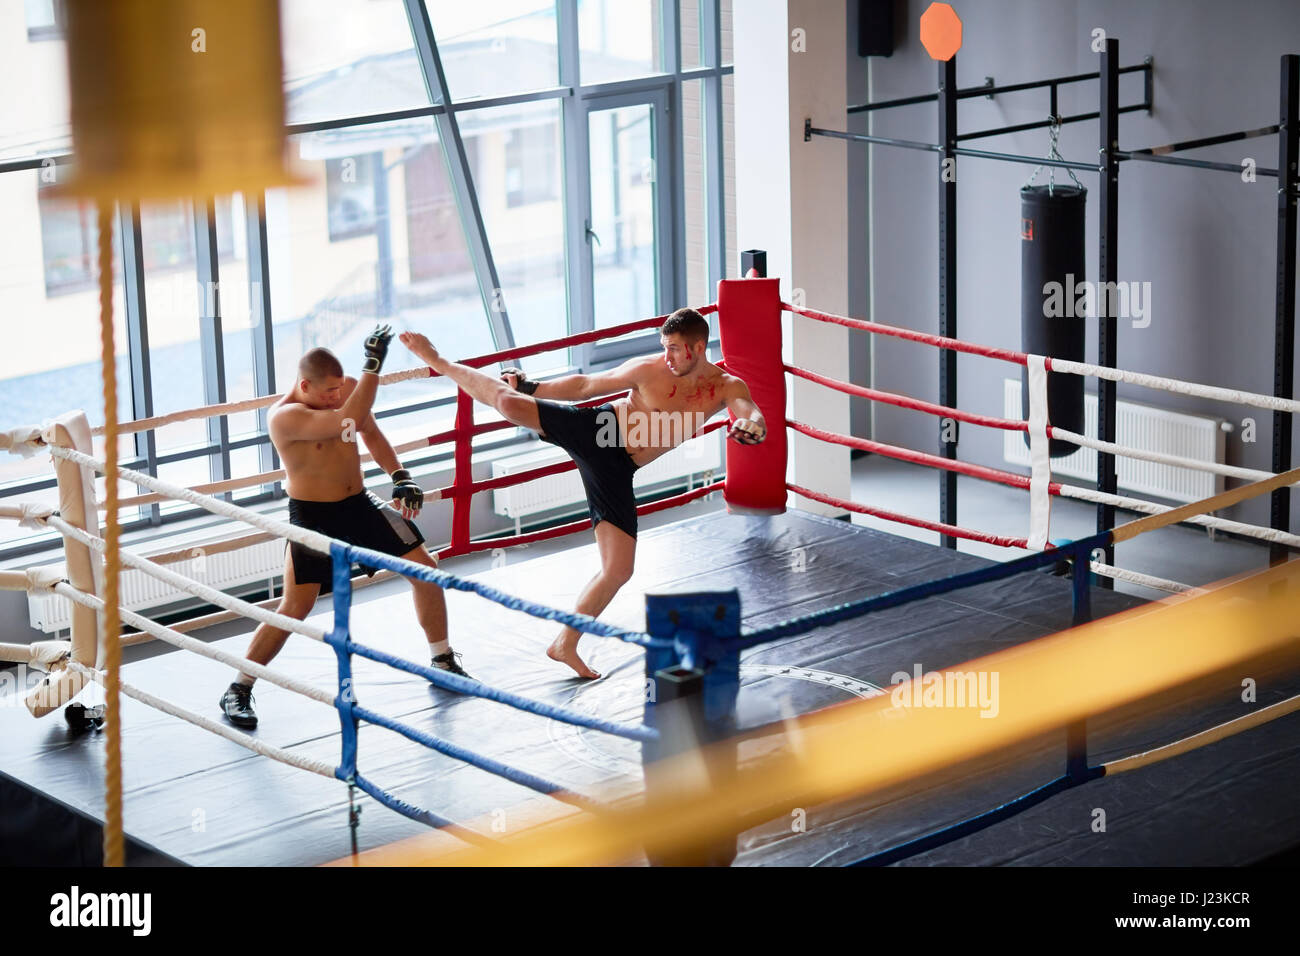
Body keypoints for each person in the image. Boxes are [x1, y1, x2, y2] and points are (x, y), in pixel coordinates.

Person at [399, 307, 766, 680]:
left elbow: (750, 412)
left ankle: (565, 643)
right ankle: (439, 360)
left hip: (619, 469)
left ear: (698, 347)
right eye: (664, 347)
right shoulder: (648, 368)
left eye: (674, 348)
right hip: (598, 430)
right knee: (509, 404)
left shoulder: (726, 386)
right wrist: (531, 388)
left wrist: (752, 427)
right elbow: (587, 385)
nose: (667, 356)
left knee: (618, 569)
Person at [219, 325, 470, 730]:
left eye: (341, 388)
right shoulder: (286, 417)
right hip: (315, 517)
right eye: (329, 392)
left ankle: (442, 659)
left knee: (427, 572)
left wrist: (399, 475)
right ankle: (239, 687)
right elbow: (344, 422)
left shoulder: (350, 388)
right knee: (296, 608)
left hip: (360, 504)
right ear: (304, 385)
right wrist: (373, 368)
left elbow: (367, 429)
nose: (338, 395)